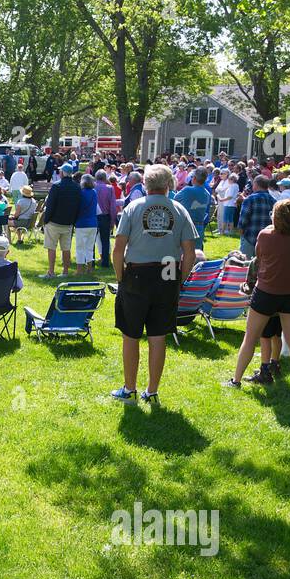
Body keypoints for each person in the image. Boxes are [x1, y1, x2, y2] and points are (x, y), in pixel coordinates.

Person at [110, 164, 196, 405]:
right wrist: (181, 279)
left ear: (146, 184)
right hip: (168, 275)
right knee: (158, 336)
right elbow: (189, 253)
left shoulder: (133, 207)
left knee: (131, 335)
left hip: (136, 275)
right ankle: (152, 391)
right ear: (169, 184)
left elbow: (118, 249)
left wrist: (120, 277)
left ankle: (129, 390)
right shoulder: (179, 209)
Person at [225, 200, 290, 396]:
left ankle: (236, 380)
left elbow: (259, 256)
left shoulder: (265, 235)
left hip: (266, 293)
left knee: (250, 338)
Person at [40, 169, 82, 278]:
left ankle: (51, 272)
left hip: (54, 222)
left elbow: (50, 205)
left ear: (62, 173)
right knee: (66, 248)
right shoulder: (77, 187)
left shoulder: (56, 186)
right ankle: (65, 272)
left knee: (51, 247)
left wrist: (46, 220)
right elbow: (78, 206)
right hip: (68, 223)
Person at [173, 167, 211, 252]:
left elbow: (174, 200)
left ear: (194, 178)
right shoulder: (207, 194)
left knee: (183, 254)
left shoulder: (187, 190)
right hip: (200, 227)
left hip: (186, 226)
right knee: (196, 254)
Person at [237, 175, 275, 255]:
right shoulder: (273, 200)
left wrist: (242, 235)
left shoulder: (250, 199)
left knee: (246, 264)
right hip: (267, 240)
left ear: (256, 185)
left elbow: (243, 220)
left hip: (250, 237)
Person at [71, 172, 99, 274]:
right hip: (93, 223)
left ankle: (79, 270)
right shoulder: (94, 192)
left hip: (82, 223)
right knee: (89, 247)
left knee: (80, 247)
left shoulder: (81, 193)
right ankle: (90, 269)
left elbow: (78, 208)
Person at [94, 169, 118, 265]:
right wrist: (113, 221)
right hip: (105, 217)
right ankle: (105, 262)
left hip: (93, 217)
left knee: (92, 240)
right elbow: (112, 206)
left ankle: (91, 263)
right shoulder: (109, 188)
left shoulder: (92, 187)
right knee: (105, 240)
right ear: (105, 178)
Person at [215, 170, 240, 235]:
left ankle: (223, 232)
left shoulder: (232, 186)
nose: (228, 181)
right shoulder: (236, 185)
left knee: (225, 218)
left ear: (232, 180)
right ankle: (230, 231)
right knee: (230, 218)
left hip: (228, 204)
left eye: (229, 179)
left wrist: (222, 199)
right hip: (231, 204)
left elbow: (230, 196)